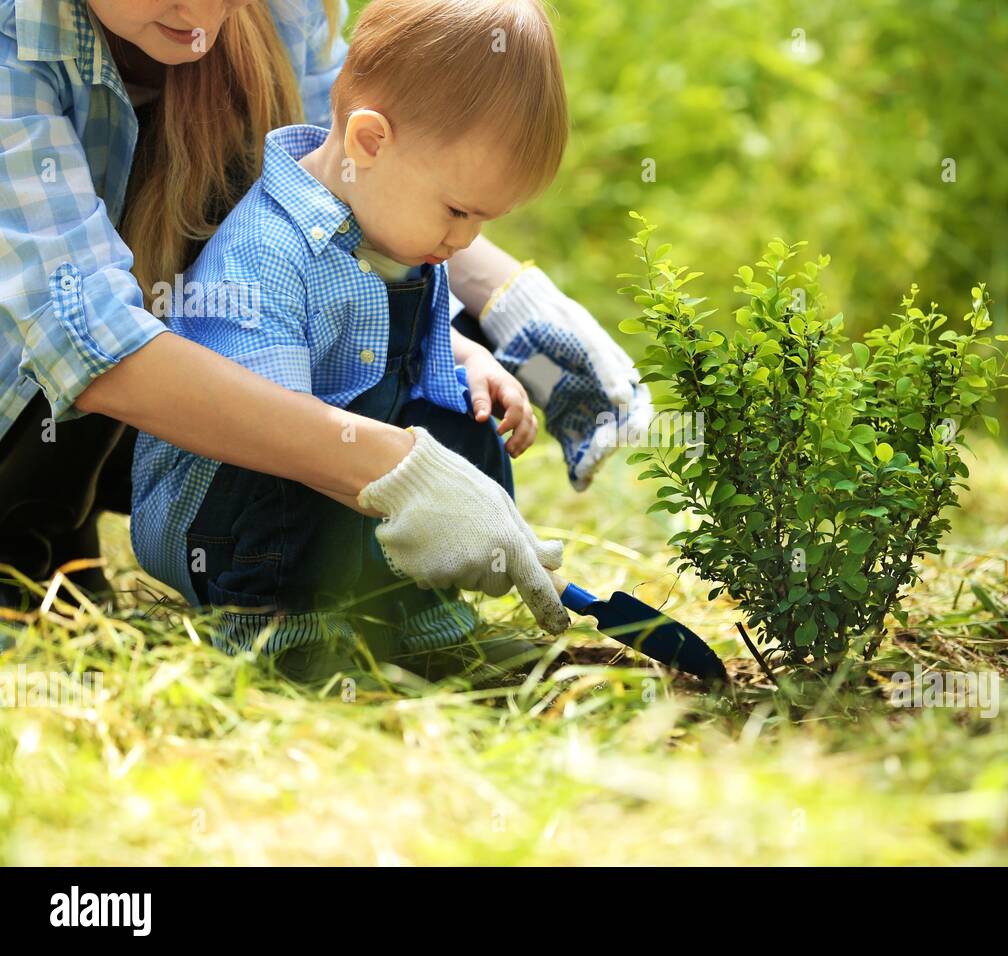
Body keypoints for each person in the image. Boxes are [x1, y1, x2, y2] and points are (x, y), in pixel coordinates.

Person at [0, 0, 649, 644]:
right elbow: (84, 340)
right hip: (59, 399)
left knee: (446, 348)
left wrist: (516, 305)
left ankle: (397, 608)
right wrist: (400, 473)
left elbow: (365, 174)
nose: (201, 8)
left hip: (182, 358)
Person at [133, 0, 579, 677]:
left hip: (336, 468)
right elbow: (271, 430)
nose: (465, 240)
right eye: (459, 210)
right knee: (306, 471)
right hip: (233, 506)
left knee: (464, 423)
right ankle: (281, 633)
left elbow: (385, 350)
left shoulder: (394, 230)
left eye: (483, 220)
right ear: (370, 142)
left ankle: (417, 615)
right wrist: (402, 477)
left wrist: (467, 359)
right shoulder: (266, 256)